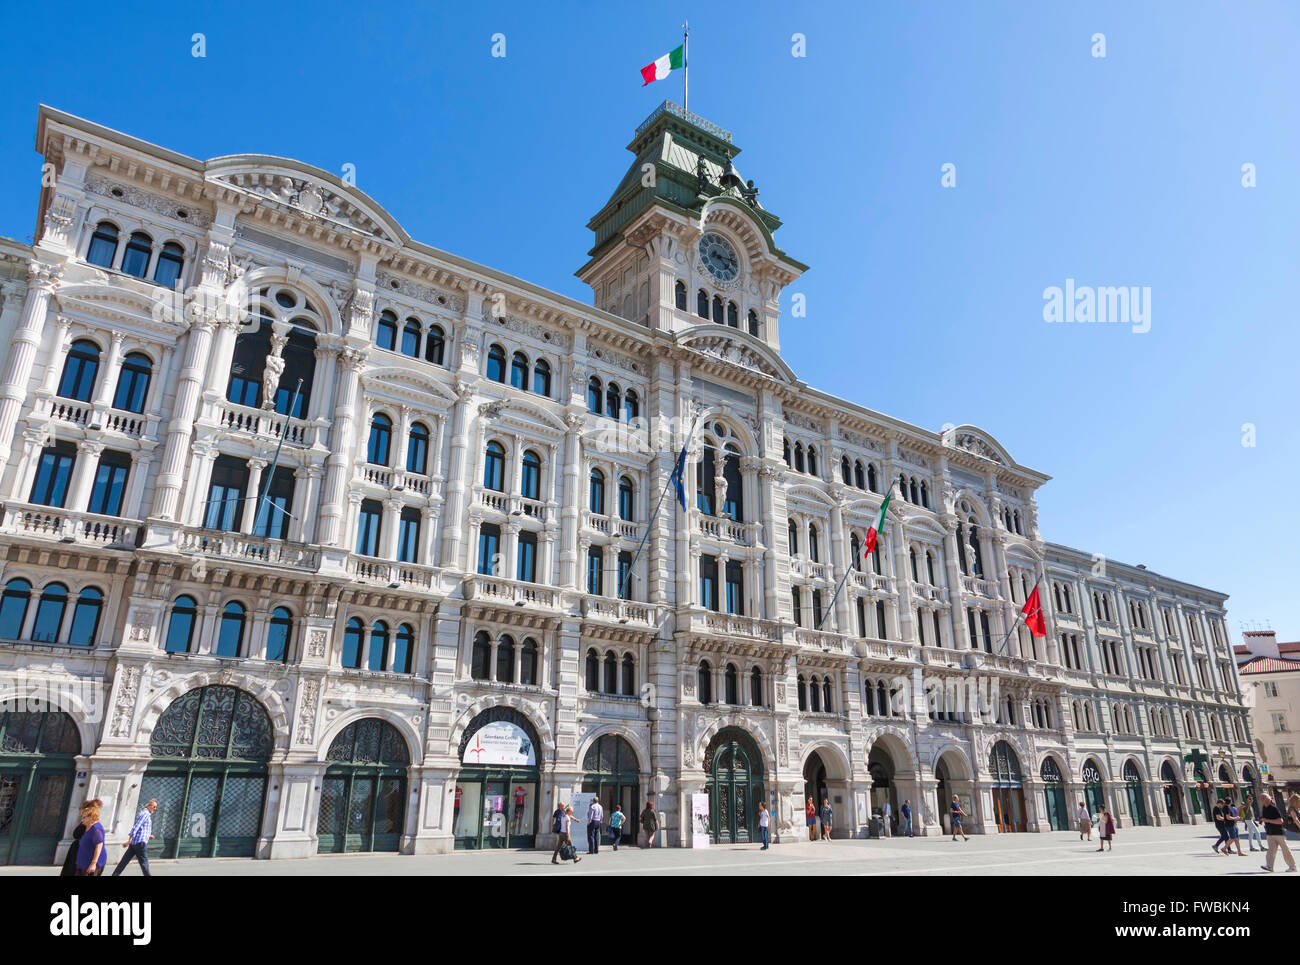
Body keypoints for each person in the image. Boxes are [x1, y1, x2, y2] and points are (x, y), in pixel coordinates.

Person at [112, 799, 157, 877]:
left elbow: (141, 829)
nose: (155, 809)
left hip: (135, 843)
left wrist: (148, 836)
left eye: (156, 807)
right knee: (144, 863)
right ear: (149, 806)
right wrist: (129, 840)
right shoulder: (145, 814)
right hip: (140, 843)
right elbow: (136, 827)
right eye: (154, 807)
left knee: (124, 861)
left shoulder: (144, 813)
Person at [60, 799, 99, 877]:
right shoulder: (84, 822)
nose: (80, 812)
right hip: (76, 850)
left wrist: (93, 862)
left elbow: (98, 845)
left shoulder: (91, 825)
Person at [1258, 793, 1297, 872]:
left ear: (1269, 799)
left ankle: (1293, 867)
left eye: (1264, 797)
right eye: (1261, 798)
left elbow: (1280, 821)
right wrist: (1262, 819)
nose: (1262, 799)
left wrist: (1267, 820)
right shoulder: (1264, 808)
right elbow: (1265, 818)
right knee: (1271, 850)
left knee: (1285, 850)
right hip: (1269, 832)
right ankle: (1269, 866)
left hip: (1278, 832)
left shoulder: (1274, 808)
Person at [75, 800, 107, 876]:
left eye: (84, 817)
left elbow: (99, 847)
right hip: (83, 863)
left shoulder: (96, 829)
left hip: (92, 864)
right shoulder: (87, 827)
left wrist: (93, 864)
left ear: (91, 817)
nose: (82, 820)